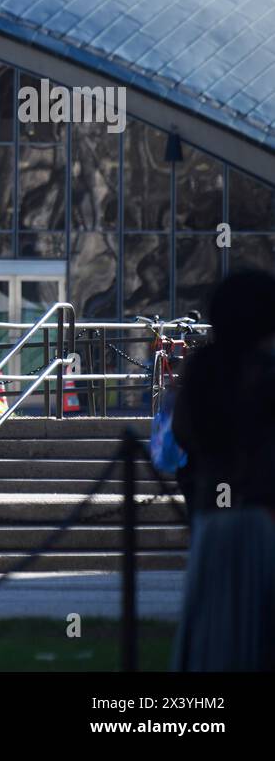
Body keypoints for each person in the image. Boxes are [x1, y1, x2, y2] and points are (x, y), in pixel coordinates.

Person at [170, 269, 275, 671]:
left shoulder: (204, 370)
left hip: (213, 514)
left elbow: (183, 433)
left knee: (216, 621)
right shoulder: (263, 374)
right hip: (262, 514)